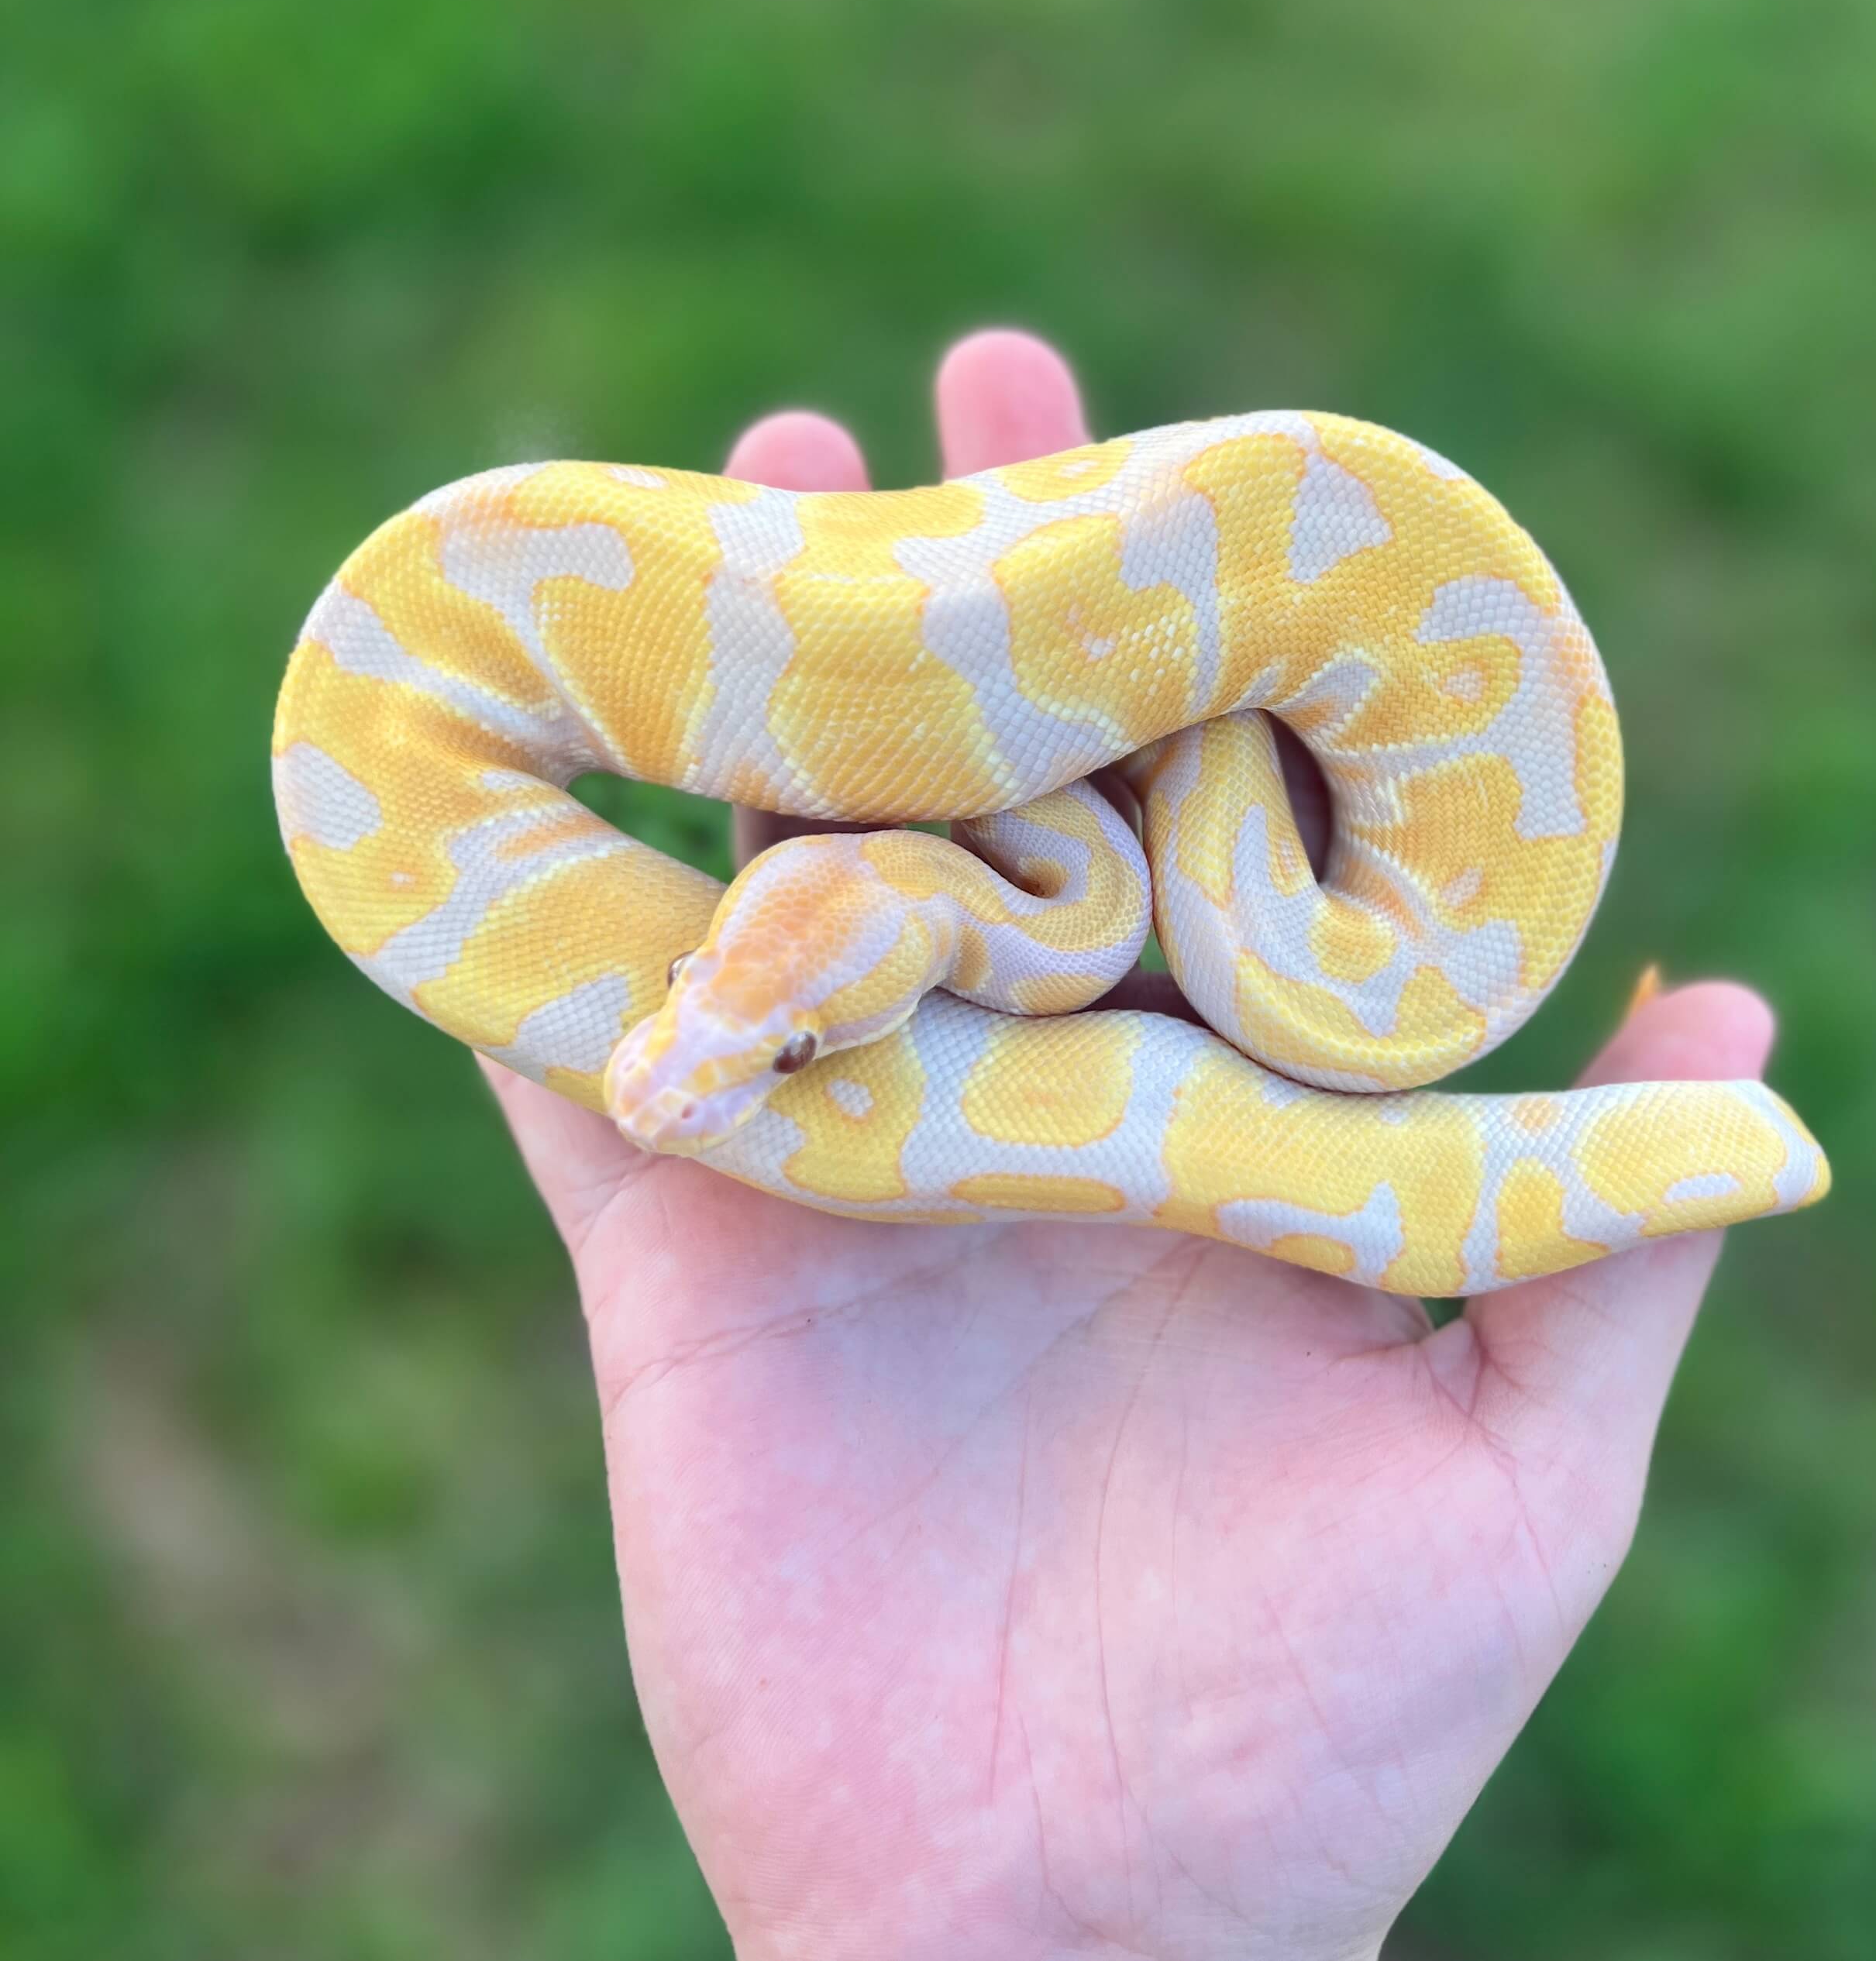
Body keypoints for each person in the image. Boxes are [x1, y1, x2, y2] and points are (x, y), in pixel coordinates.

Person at [483, 328, 1782, 1960]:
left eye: (788, 1044)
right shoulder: (1020, 898)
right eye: (701, 990)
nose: (668, 1079)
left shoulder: (1081, 922)